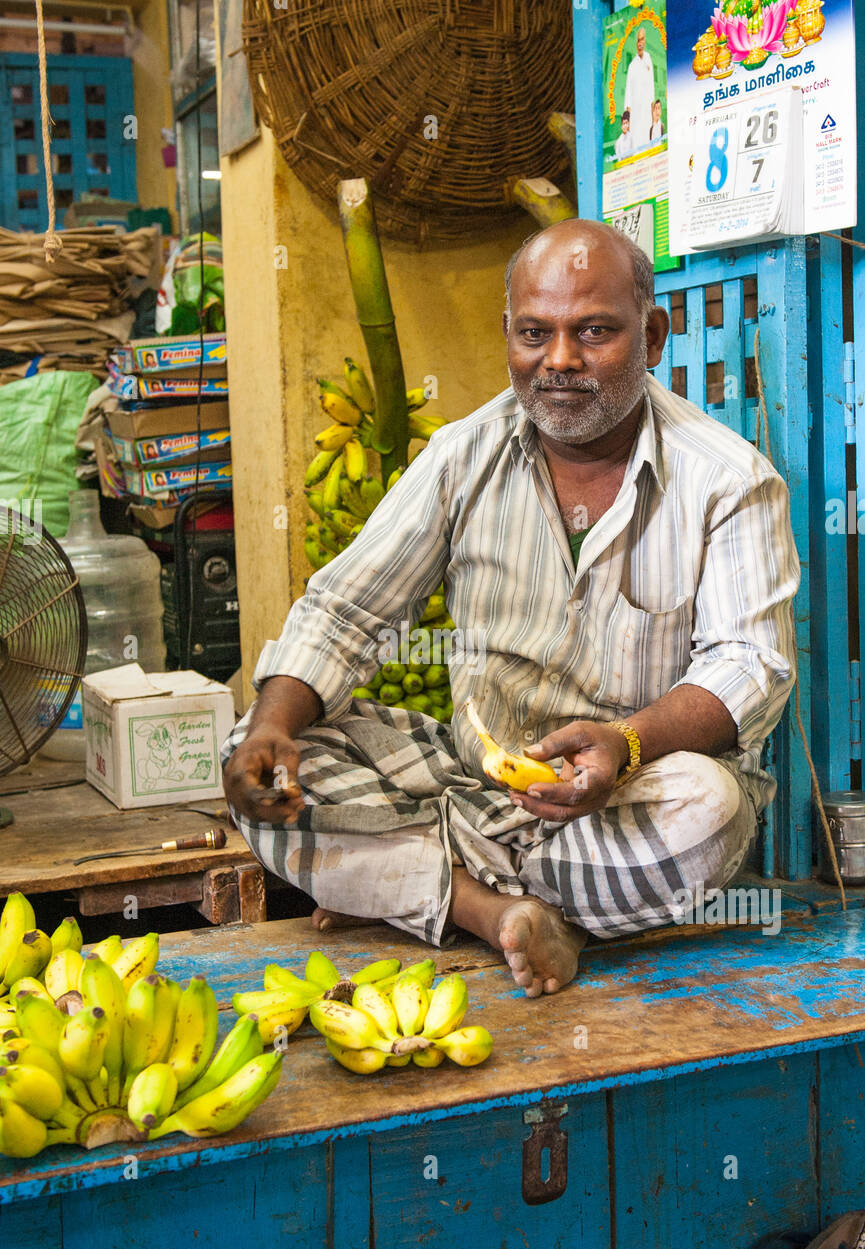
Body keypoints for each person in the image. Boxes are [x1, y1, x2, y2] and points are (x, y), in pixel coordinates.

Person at [221, 219, 799, 999]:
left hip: (629, 797)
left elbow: (750, 666)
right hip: (468, 785)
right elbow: (346, 611)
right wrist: (272, 726)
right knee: (262, 755)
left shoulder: (728, 480)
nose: (559, 360)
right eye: (535, 333)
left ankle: (410, 886)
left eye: (593, 332)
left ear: (652, 335)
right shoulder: (463, 454)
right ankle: (491, 910)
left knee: (710, 809)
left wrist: (625, 744)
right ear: (508, 336)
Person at [623, 26, 655, 150]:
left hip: (647, 109)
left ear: (645, 41)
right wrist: (628, 112)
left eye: (642, 39)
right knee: (636, 142)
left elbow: (652, 83)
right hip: (635, 111)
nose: (640, 43)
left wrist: (652, 107)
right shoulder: (632, 65)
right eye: (638, 40)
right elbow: (628, 90)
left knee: (648, 139)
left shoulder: (649, 59)